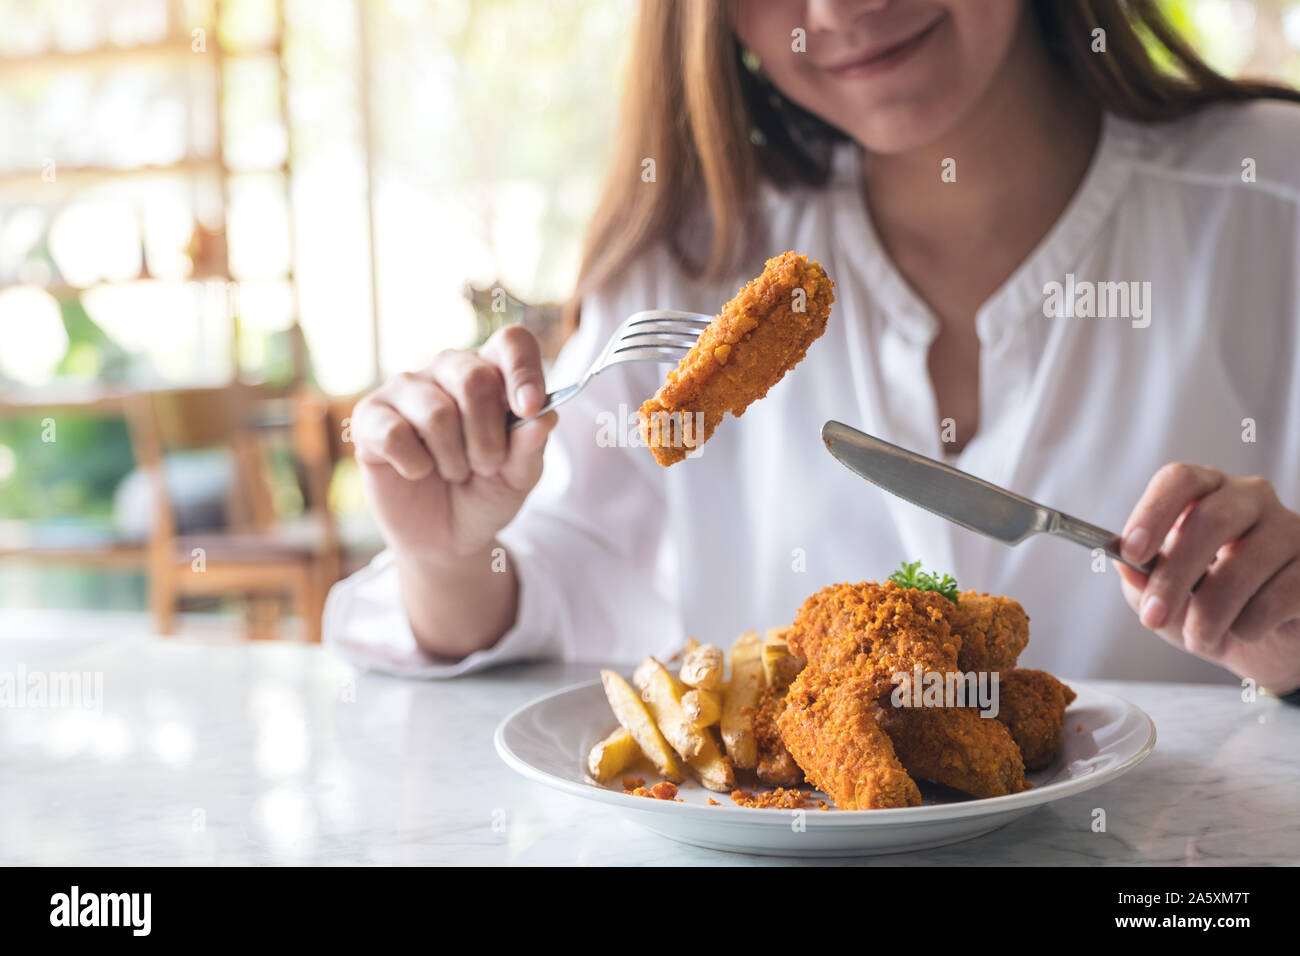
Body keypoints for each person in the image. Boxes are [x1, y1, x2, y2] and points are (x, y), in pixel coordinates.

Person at [323, 0, 1300, 697]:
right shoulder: (688, 260)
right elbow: (559, 594)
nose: (841, 7)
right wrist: (450, 557)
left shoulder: (1274, 195)